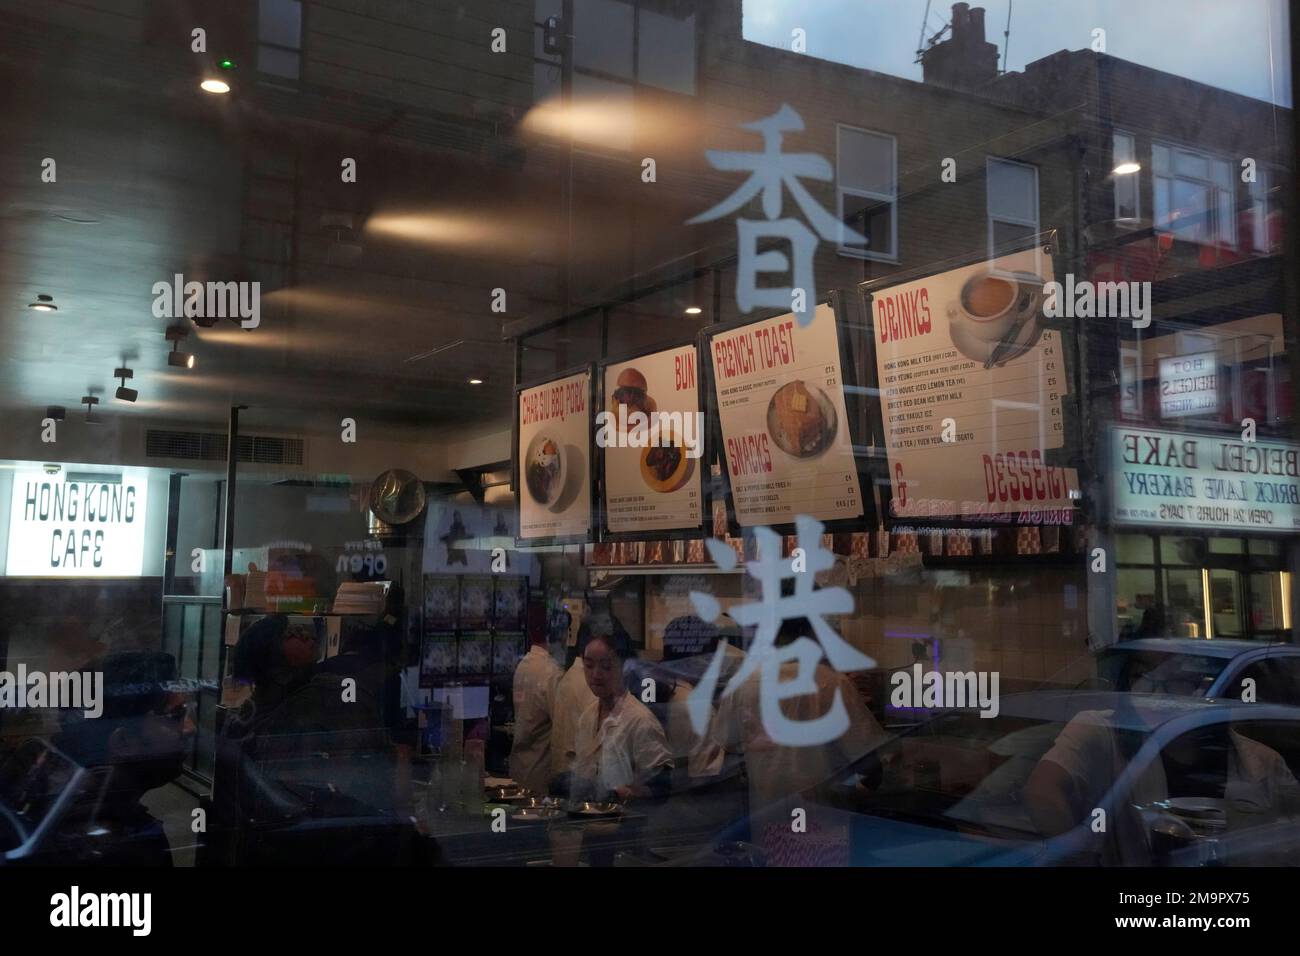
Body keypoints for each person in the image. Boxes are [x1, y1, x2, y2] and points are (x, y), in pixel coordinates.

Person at [53, 651, 196, 866]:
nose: (189, 728)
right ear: (123, 742)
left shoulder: (72, 806)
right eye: (176, 715)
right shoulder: (120, 847)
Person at [571, 633, 673, 802]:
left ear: (626, 668)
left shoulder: (640, 720)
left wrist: (619, 795)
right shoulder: (588, 716)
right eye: (589, 665)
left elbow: (660, 789)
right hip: (589, 819)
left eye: (606, 666)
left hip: (629, 822)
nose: (595, 674)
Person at [508, 622, 562, 795]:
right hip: (540, 769)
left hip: (520, 764)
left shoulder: (523, 664)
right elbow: (561, 723)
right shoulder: (551, 671)